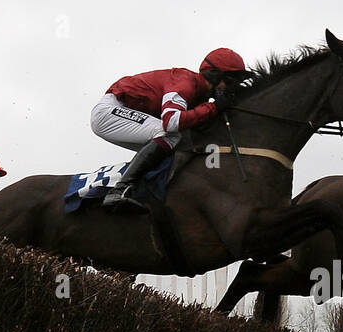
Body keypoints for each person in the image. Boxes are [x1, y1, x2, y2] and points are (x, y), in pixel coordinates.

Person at [90, 47, 253, 211]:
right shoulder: (185, 83)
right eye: (230, 82)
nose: (229, 89)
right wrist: (214, 107)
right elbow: (171, 122)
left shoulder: (199, 93)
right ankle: (119, 191)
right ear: (214, 75)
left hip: (125, 112)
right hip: (109, 111)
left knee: (182, 143)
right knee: (170, 135)